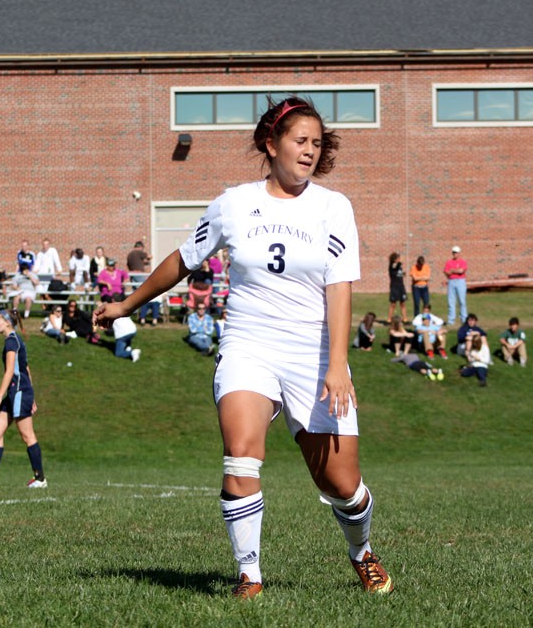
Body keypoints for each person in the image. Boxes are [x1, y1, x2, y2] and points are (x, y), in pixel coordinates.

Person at [93, 96, 392, 598]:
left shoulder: (334, 207)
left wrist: (338, 364)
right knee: (240, 455)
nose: (310, 151)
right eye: (301, 141)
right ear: (271, 144)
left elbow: (339, 286)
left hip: (314, 353)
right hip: (248, 344)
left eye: (318, 143)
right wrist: (126, 304)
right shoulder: (233, 203)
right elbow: (183, 259)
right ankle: (249, 576)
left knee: (341, 485)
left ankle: (361, 552)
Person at [0, 309, 47, 489]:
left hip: (19, 392)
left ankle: (40, 479)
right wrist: (31, 395)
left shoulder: (12, 341)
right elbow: (26, 368)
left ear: (7, 323)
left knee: (27, 435)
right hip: (15, 393)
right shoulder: (14, 340)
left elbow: (10, 371)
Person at [443, 245, 468, 324]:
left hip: (460, 281)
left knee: (462, 301)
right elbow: (446, 272)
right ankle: (451, 320)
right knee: (451, 301)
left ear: (459, 253)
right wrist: (455, 271)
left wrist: (452, 270)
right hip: (451, 281)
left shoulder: (462, 262)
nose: (455, 254)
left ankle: (464, 319)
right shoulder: (449, 262)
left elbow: (461, 271)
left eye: (456, 252)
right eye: (453, 252)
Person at [387, 252, 407, 324]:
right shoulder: (392, 265)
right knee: (393, 304)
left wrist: (403, 274)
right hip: (394, 287)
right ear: (394, 259)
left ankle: (405, 319)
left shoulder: (399, 266)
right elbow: (394, 267)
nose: (399, 259)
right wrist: (399, 262)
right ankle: (389, 319)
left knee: (402, 303)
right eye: (398, 258)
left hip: (401, 287)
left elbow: (398, 273)